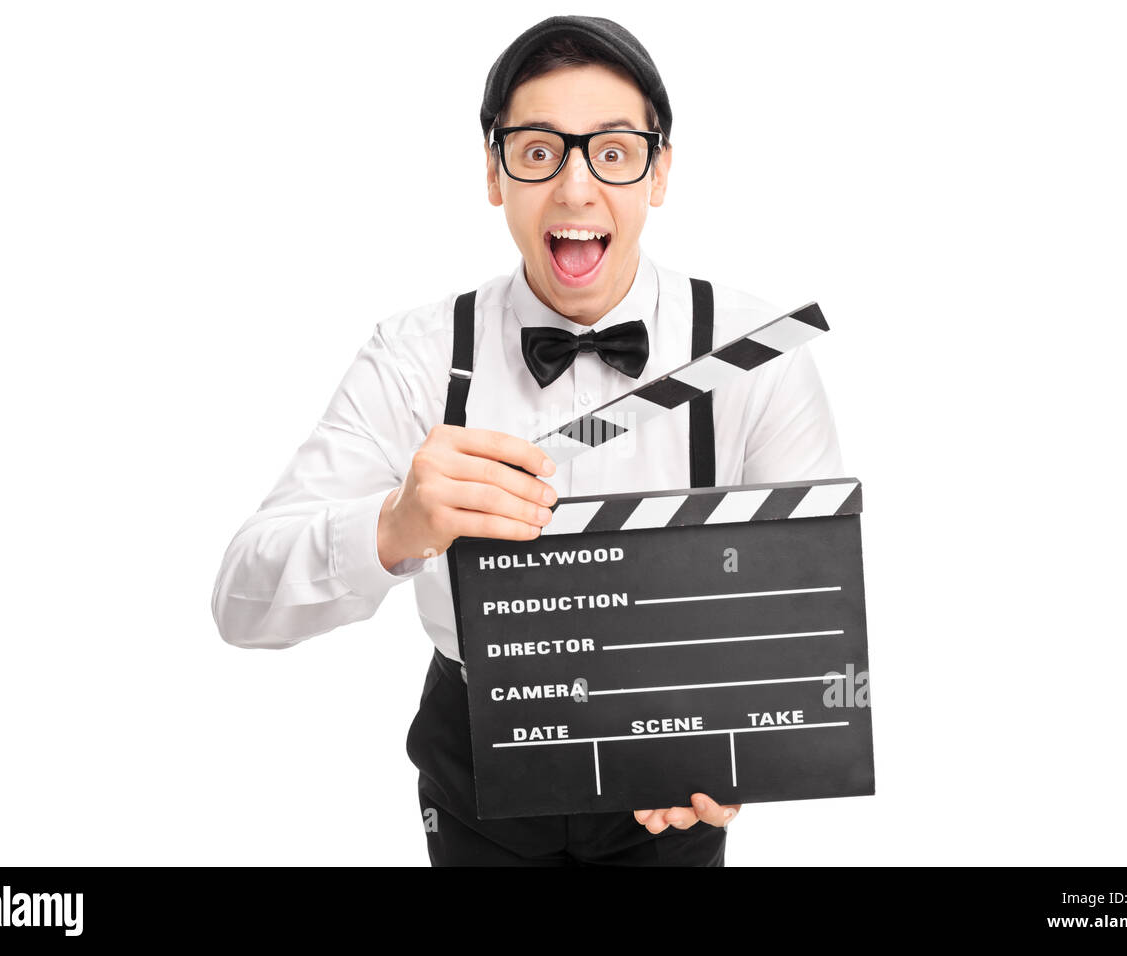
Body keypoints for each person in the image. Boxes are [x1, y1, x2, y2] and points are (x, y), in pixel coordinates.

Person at [211, 14, 845, 866]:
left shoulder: (754, 349)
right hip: (474, 746)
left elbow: (808, 614)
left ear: (659, 171)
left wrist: (744, 750)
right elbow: (240, 601)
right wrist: (395, 527)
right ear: (491, 171)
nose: (578, 190)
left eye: (613, 152)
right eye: (540, 152)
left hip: (675, 756)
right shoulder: (415, 356)